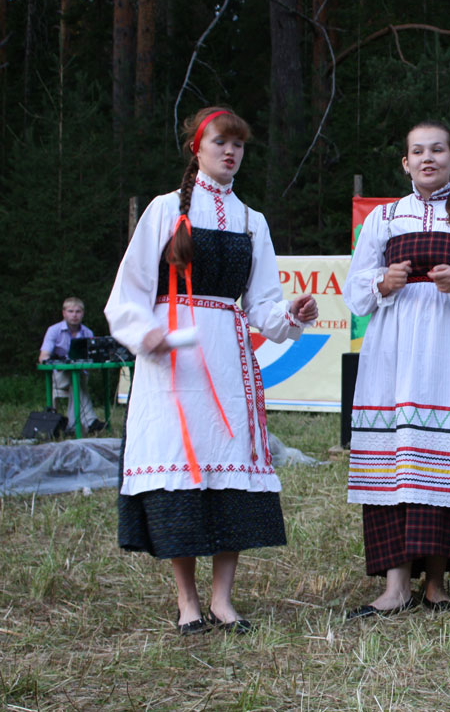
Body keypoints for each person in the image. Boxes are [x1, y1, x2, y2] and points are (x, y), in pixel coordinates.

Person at [105, 107, 318, 635]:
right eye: (221, 142)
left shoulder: (253, 221)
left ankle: (223, 599)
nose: (231, 152)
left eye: (239, 145)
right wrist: (144, 332)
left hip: (227, 358)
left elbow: (263, 305)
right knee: (181, 471)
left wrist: (291, 315)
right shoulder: (161, 211)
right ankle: (187, 602)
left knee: (228, 475)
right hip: (171, 361)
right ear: (197, 148)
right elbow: (126, 292)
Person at [342, 120, 450, 618]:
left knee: (445, 461)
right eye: (417, 151)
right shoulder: (384, 218)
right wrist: (382, 283)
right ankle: (395, 586)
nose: (428, 158)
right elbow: (354, 291)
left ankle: (437, 584)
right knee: (396, 463)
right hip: (393, 355)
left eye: (437, 150)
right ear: (405, 163)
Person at [39, 297, 106, 433]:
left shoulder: (88, 333)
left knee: (78, 378)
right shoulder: (53, 330)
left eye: (78, 311)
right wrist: (56, 361)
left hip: (81, 375)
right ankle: (91, 420)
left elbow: (92, 360)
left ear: (83, 313)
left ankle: (72, 427)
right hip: (60, 377)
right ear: (64, 313)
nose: (74, 315)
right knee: (74, 376)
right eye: (71, 311)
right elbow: (43, 357)